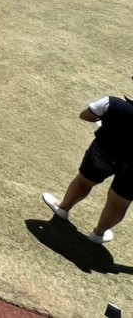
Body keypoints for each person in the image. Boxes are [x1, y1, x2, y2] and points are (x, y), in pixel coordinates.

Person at [42, 92, 133, 245]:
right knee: (120, 202)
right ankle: (99, 233)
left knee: (85, 180)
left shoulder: (113, 103)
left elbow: (86, 115)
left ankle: (63, 209)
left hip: (104, 152)